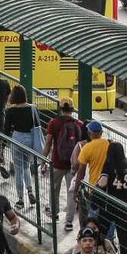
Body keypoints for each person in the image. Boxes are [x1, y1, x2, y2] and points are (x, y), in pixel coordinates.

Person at [43, 99, 84, 232]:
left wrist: (43, 160)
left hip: (57, 162)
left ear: (60, 108)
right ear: (73, 109)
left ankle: (54, 213)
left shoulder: (54, 123)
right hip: (74, 165)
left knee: (54, 188)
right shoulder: (79, 124)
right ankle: (69, 222)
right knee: (72, 192)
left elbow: (48, 142)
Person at [99, 141, 127, 254]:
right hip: (124, 206)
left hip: (109, 205)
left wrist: (97, 184)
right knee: (123, 237)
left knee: (101, 233)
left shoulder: (109, 165)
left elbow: (103, 183)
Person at [4, 85, 41, 206]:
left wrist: (3, 146)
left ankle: (20, 199)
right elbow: (37, 125)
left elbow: (6, 129)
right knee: (26, 166)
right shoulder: (32, 108)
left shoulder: (10, 111)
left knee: (18, 169)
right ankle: (30, 190)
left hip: (17, 139)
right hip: (30, 139)